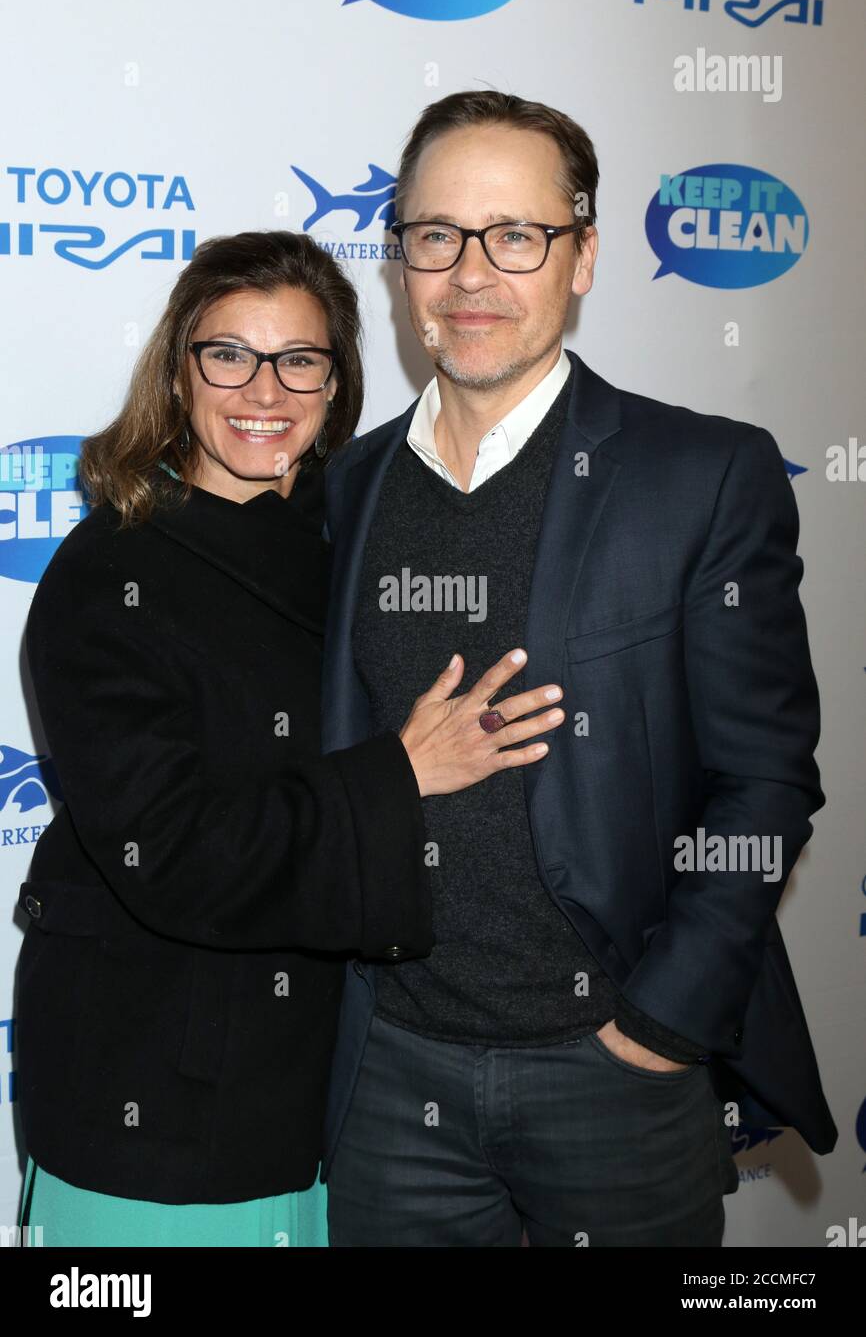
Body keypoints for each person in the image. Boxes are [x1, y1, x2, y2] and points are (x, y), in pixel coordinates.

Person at [320, 91, 837, 1247]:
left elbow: (764, 781)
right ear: (397, 257)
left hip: (613, 1076)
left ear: (584, 253)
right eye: (435, 236)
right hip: (389, 1076)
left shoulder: (699, 473)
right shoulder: (340, 490)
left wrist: (660, 1023)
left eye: (516, 235)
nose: (470, 274)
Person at [14, 229, 566, 1246]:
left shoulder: (355, 548)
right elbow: (171, 851)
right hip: (152, 1101)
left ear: (334, 384)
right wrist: (399, 772)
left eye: (298, 359)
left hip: (345, 1096)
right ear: (178, 372)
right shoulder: (110, 577)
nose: (262, 390)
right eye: (227, 354)